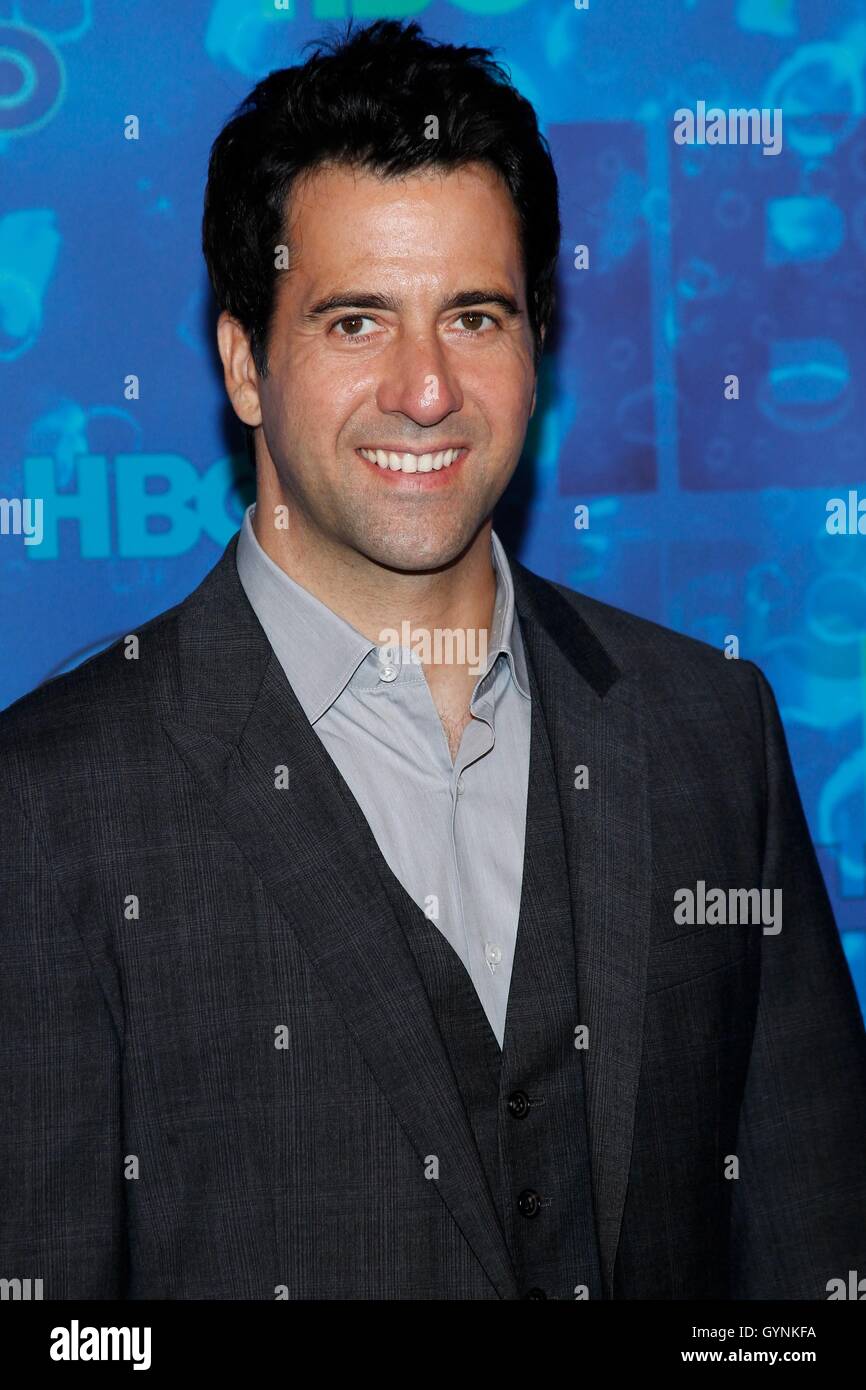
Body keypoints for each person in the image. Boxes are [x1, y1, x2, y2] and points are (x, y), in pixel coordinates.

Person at [1, 18, 864, 1301]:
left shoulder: (705, 729)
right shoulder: (49, 800)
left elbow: (809, 1270)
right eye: (355, 321)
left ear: (536, 341)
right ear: (245, 364)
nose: (424, 389)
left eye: (472, 314)